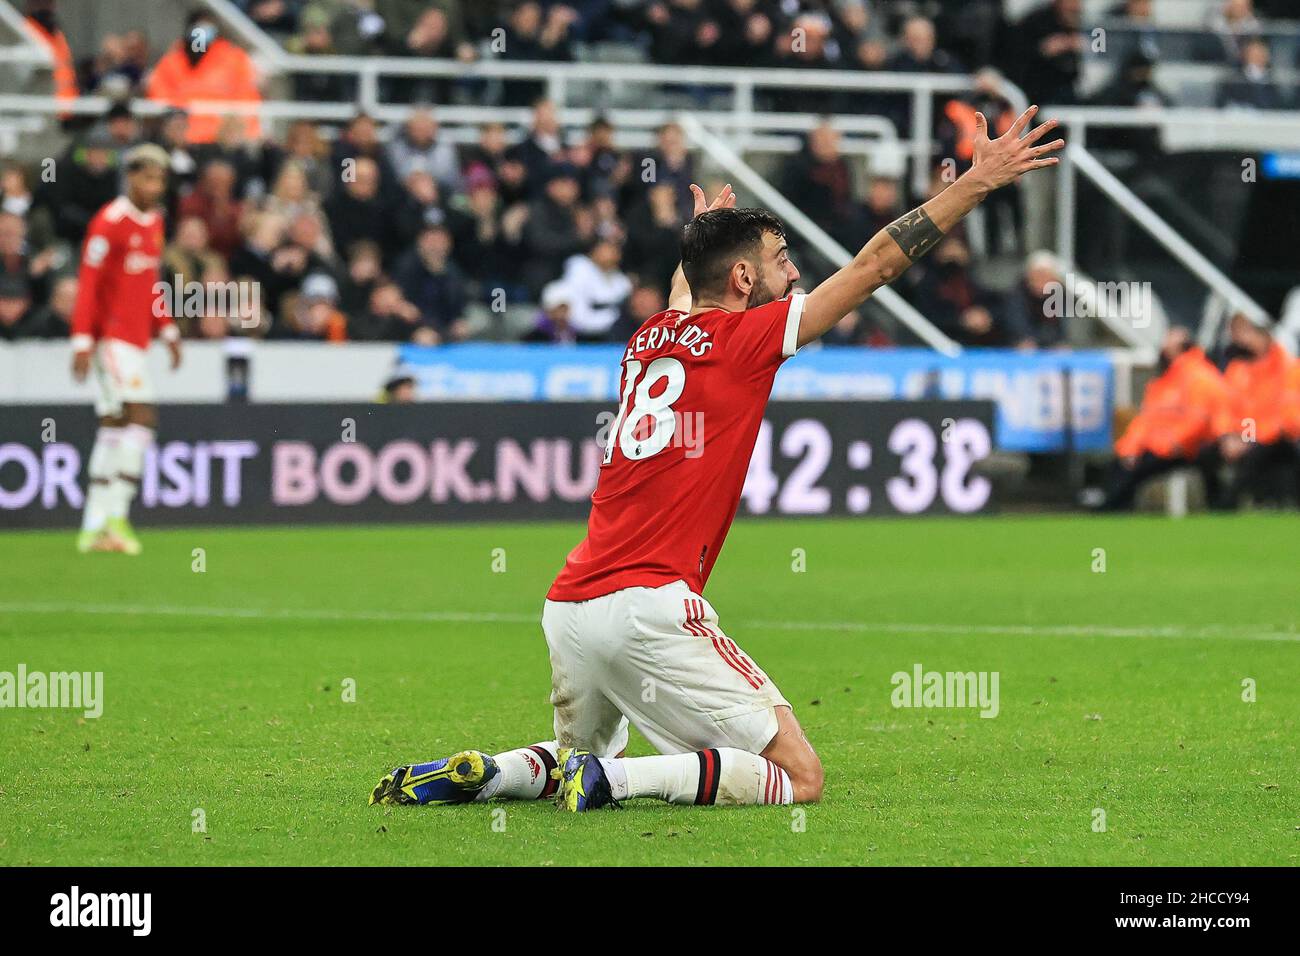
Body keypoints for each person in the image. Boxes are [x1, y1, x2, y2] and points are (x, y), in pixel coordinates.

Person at [370, 106, 1065, 811]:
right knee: (799, 778)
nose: (794, 276)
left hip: (571, 604)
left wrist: (700, 237)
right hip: (650, 604)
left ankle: (490, 772)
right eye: (782, 262)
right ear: (740, 279)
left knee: (574, 753)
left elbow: (687, 290)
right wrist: (977, 182)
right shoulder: (748, 341)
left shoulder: (649, 335)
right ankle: (615, 782)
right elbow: (877, 262)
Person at [69, 144, 182, 555]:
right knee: (143, 416)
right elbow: (89, 285)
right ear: (131, 177)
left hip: (137, 338)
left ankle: (93, 526)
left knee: (114, 425)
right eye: (148, 177)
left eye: (160, 179)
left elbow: (151, 283)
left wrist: (166, 328)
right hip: (111, 339)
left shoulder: (154, 222)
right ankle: (117, 513)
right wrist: (82, 340)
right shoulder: (109, 222)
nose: (155, 186)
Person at [1096, 327, 1228, 510]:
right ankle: (1114, 507)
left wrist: (1173, 442)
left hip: (1187, 447)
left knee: (1133, 471)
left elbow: (1199, 420)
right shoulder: (1164, 381)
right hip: (1160, 445)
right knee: (1119, 465)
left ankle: (1111, 509)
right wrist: (1130, 448)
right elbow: (1145, 420)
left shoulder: (1199, 376)